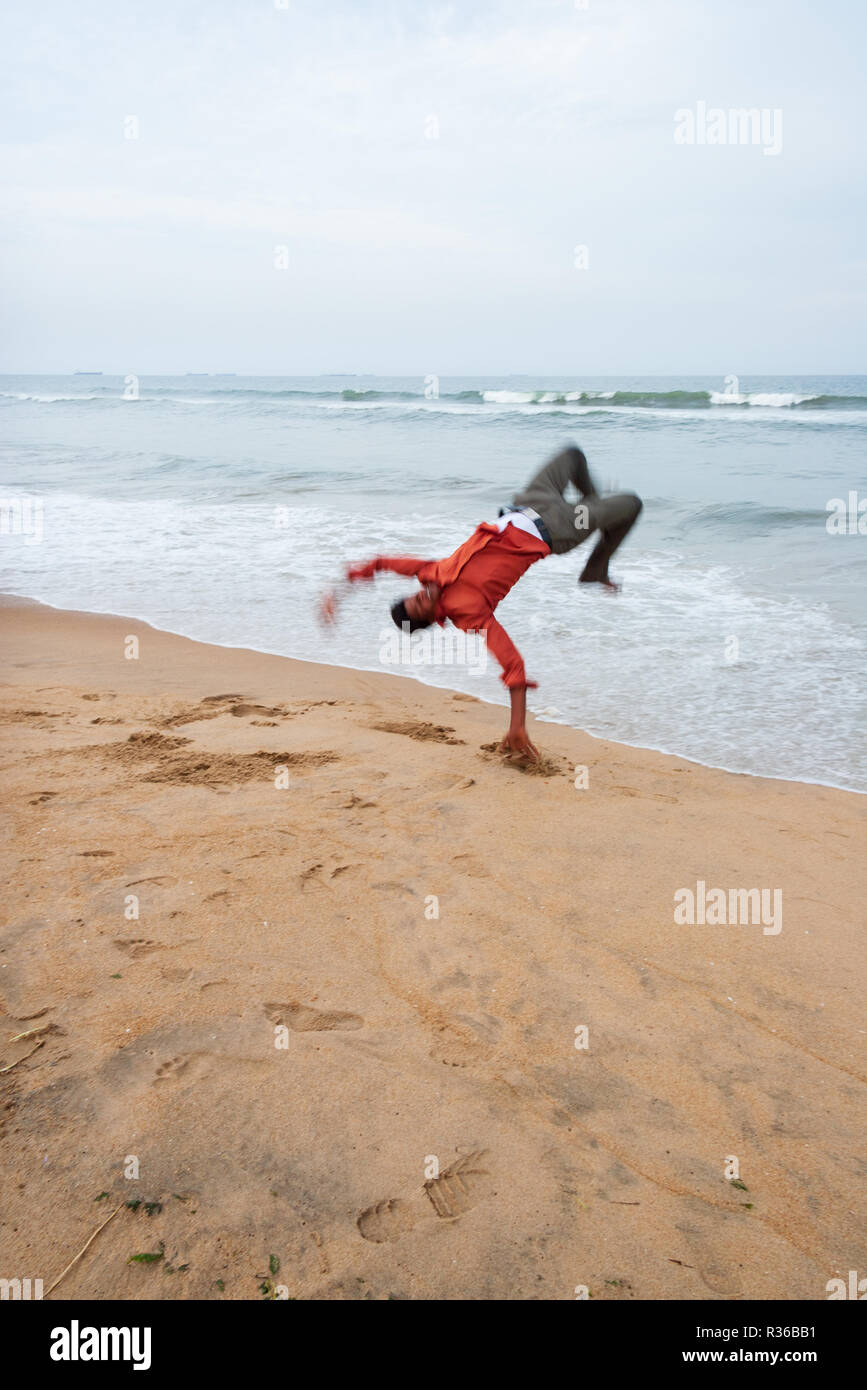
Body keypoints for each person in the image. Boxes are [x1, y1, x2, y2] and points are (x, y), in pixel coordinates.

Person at [320, 445, 642, 762]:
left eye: (414, 595)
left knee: (573, 456)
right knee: (631, 504)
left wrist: (337, 593)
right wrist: (518, 727)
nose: (421, 594)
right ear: (433, 619)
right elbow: (513, 666)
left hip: (528, 503)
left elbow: (379, 564)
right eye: (420, 604)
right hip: (559, 528)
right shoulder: (471, 615)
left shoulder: (430, 572)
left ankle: (595, 504)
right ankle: (596, 568)